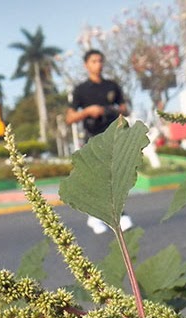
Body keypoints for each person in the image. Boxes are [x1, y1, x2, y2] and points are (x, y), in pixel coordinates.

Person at [66, 49, 134, 234]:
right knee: (99, 178)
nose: (98, 64)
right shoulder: (81, 90)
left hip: (114, 136)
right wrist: (88, 111)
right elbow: (70, 117)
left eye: (100, 61)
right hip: (93, 139)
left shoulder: (112, 86)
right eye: (94, 61)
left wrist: (109, 110)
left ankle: (114, 214)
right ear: (86, 65)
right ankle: (102, 216)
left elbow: (124, 109)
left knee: (117, 176)